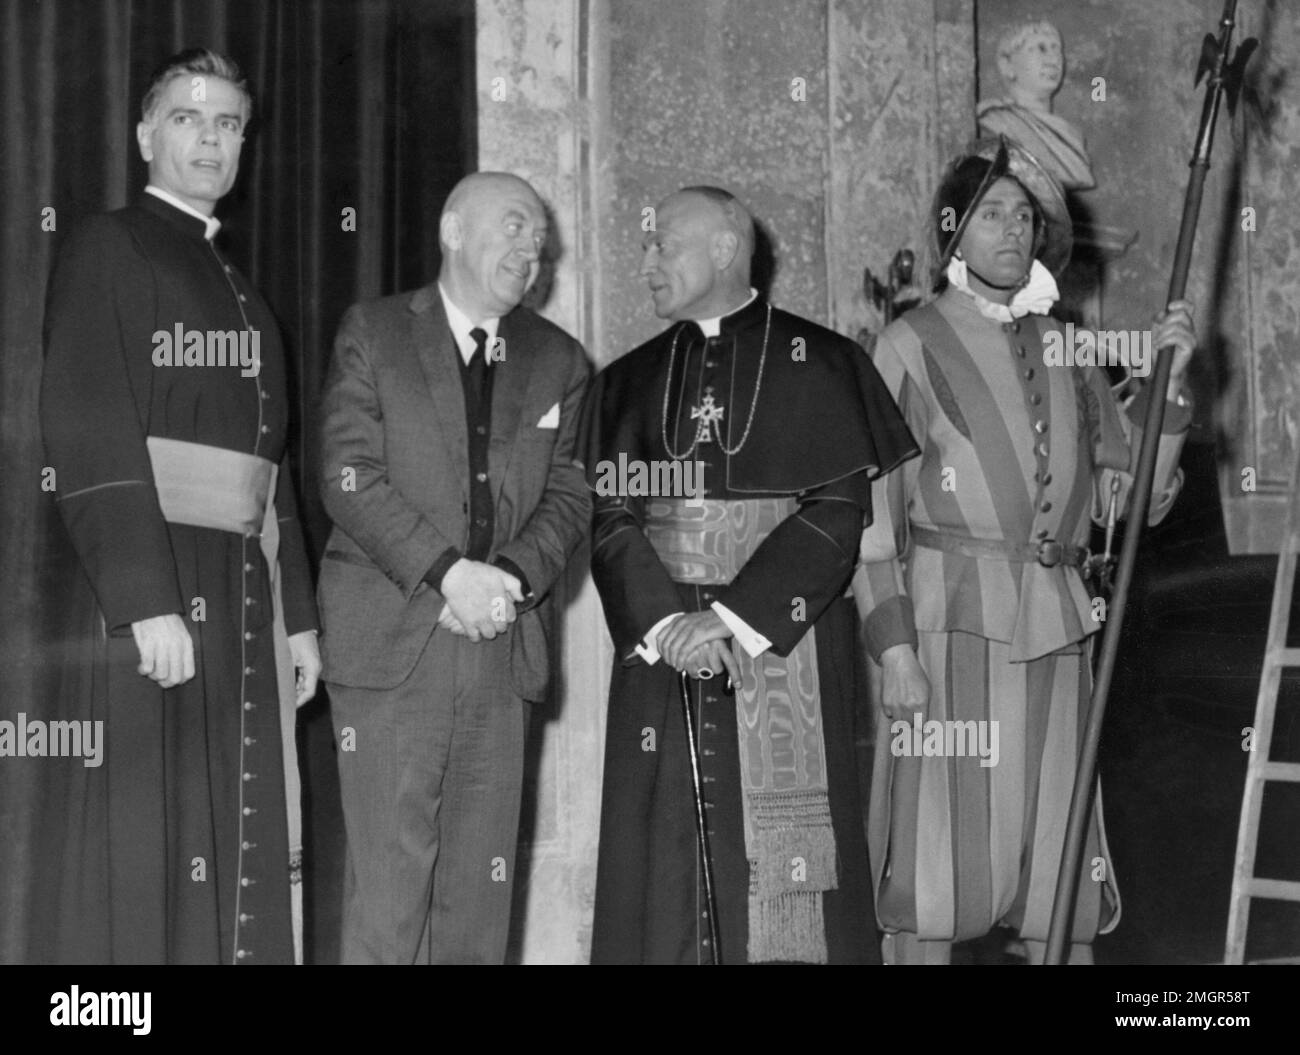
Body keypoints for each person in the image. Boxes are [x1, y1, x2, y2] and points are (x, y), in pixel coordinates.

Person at [853, 137, 1197, 965]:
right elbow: (872, 522)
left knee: (1057, 860)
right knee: (938, 861)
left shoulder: (1070, 345)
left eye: (1023, 216)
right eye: (991, 215)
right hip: (946, 631)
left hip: (1058, 628)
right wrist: (894, 649)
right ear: (953, 236)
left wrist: (1170, 386)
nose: (1012, 231)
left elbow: (1134, 493)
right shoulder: (906, 343)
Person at [583, 186, 918, 964]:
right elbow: (611, 516)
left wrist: (731, 618)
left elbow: (837, 513)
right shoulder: (626, 381)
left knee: (779, 877)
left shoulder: (827, 362)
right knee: (660, 862)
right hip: (661, 652)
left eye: (663, 242)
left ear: (727, 249)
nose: (648, 260)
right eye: (645, 247)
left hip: (782, 639)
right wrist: (670, 625)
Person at [37, 49, 320, 964]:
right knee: (152, 845)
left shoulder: (244, 292)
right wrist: (144, 595)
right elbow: (88, 422)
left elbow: (273, 472)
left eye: (230, 124)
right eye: (191, 119)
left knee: (235, 834)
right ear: (145, 134)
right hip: (154, 583)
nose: (212, 139)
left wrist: (300, 621)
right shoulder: (107, 245)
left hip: (241, 597)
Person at [317, 171, 591, 964]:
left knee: (479, 903)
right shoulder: (374, 332)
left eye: (539, 238)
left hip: (502, 646)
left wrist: (503, 577)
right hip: (392, 648)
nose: (530, 248)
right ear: (451, 228)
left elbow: (572, 492)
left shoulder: (561, 359)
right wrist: (447, 573)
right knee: (388, 902)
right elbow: (347, 476)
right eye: (513, 225)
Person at [977, 20, 1095, 190]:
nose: (1053, 60)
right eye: (1041, 48)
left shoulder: (1072, 135)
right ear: (1007, 65)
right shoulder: (993, 122)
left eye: (1057, 49)